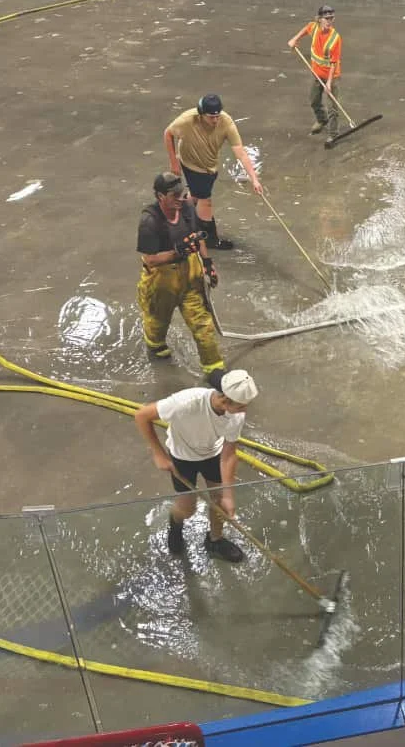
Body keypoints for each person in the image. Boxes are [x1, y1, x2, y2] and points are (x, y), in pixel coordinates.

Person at [134, 369, 260, 563]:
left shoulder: (235, 415)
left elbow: (228, 455)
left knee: (219, 503)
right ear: (225, 401)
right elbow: (142, 416)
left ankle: (215, 540)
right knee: (187, 508)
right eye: (242, 406)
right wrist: (158, 454)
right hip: (182, 457)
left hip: (212, 453)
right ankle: (175, 526)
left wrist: (228, 494)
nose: (244, 411)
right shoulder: (186, 402)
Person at [137, 172, 224, 374]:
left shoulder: (186, 207)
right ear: (160, 196)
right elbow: (149, 259)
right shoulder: (150, 220)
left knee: (203, 325)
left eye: (181, 194)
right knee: (157, 321)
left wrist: (208, 263)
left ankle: (214, 369)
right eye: (174, 196)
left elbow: (197, 237)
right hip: (161, 278)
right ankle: (155, 345)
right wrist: (175, 253)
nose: (180, 199)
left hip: (190, 272)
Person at [163, 93, 262, 251]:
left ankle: (174, 217)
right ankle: (211, 239)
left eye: (217, 116)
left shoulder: (226, 122)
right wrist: (174, 162)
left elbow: (240, 151)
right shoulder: (187, 120)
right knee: (205, 201)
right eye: (211, 117)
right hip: (192, 163)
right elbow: (168, 134)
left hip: (210, 165)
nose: (215, 120)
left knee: (195, 196)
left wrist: (254, 179)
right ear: (201, 114)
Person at [287, 5, 343, 141]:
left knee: (333, 108)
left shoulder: (335, 39)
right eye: (327, 19)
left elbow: (333, 63)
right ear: (319, 19)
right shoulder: (314, 27)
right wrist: (295, 39)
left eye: (331, 18)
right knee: (314, 100)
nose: (329, 21)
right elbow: (306, 29)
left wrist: (329, 83)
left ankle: (333, 134)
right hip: (316, 74)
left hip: (331, 76)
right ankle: (322, 120)